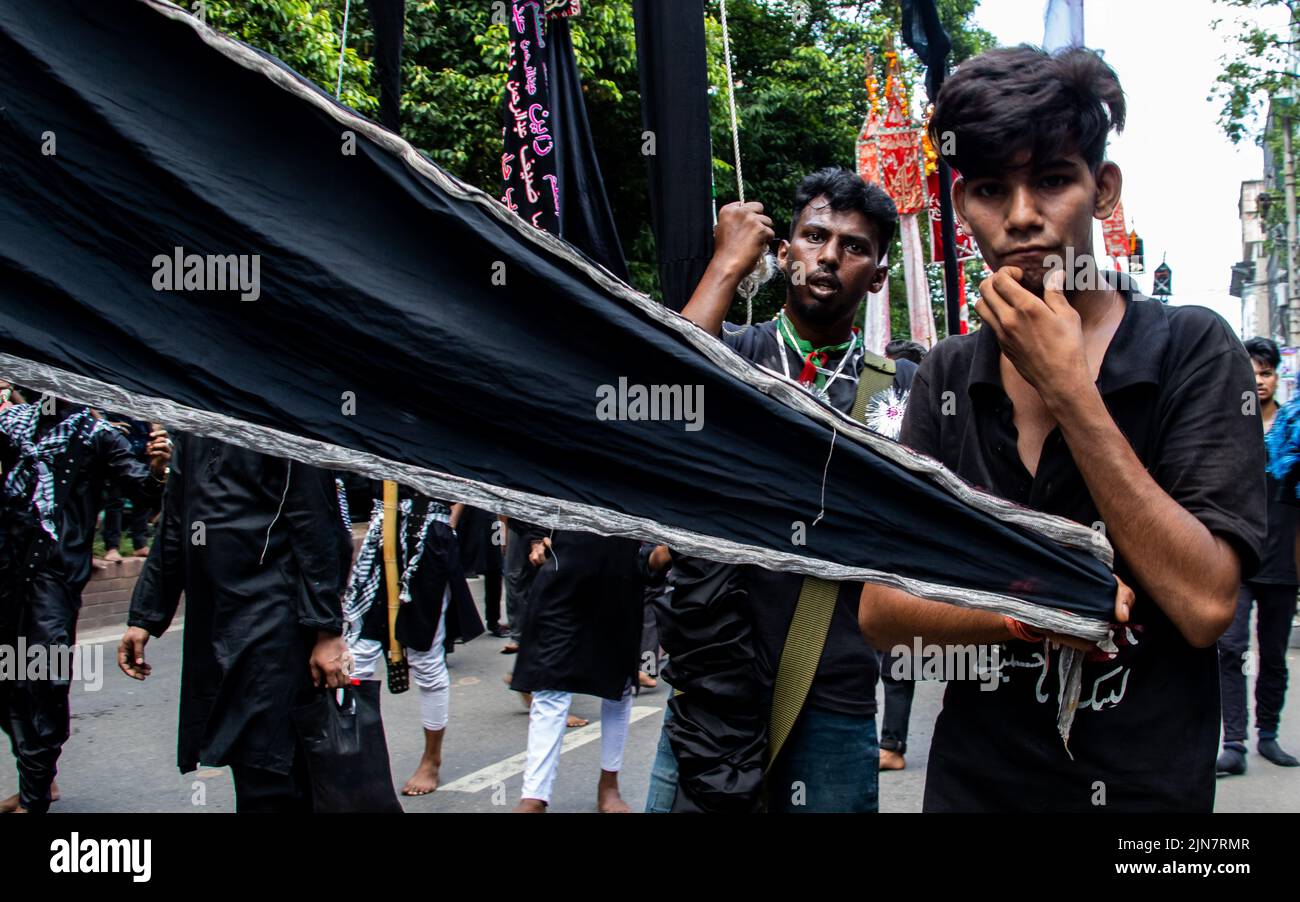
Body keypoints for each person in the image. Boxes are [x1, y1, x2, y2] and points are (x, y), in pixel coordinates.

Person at [858, 46, 1263, 812]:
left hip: (1146, 795)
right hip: (975, 790)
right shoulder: (947, 374)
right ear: (961, 202)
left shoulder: (1191, 349)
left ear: (1102, 188)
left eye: (1051, 180)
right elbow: (882, 608)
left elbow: (1206, 606)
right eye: (990, 189)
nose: (1020, 216)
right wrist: (1030, 611)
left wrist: (1071, 392)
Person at [646, 167, 914, 813]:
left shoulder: (902, 391)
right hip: (714, 687)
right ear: (785, 251)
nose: (829, 256)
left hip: (835, 694)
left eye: (854, 246)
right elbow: (658, 400)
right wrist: (726, 264)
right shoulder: (732, 348)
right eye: (815, 236)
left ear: (878, 275)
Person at [119, 435, 353, 813]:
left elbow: (317, 526)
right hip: (217, 620)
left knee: (271, 765)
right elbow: (175, 523)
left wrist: (327, 630)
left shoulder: (284, 422)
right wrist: (144, 617)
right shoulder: (196, 427)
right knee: (249, 761)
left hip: (276, 620)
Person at [0, 397, 170, 814]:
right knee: (8, 677)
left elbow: (144, 492)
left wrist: (157, 469)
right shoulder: (11, 425)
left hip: (54, 578)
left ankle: (35, 795)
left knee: (43, 677)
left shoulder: (98, 436)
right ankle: (38, 776)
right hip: (6, 569)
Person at [342, 482, 483, 795]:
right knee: (355, 657)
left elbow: (464, 482)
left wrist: (447, 521)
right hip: (382, 535)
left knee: (426, 659)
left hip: (427, 541)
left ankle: (431, 759)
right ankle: (355, 754)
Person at [510, 528, 646, 813]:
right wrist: (535, 538)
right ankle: (534, 795)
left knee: (616, 685)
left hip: (619, 571)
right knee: (550, 680)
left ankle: (609, 783)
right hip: (563, 568)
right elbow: (538, 500)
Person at [1217, 337, 1300, 774]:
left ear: (1276, 376)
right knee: (1230, 648)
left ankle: (1268, 735)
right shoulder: (1229, 427)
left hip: (1283, 561)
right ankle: (1233, 742)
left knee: (1273, 654)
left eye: (1266, 372)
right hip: (1240, 558)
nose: (1259, 381)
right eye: (1252, 372)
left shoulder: (1294, 432)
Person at [98, 414, 157, 562]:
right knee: (116, 497)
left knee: (144, 495)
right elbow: (89, 406)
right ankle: (112, 547)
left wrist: (155, 428)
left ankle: (140, 544)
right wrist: (105, 423)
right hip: (120, 438)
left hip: (142, 438)